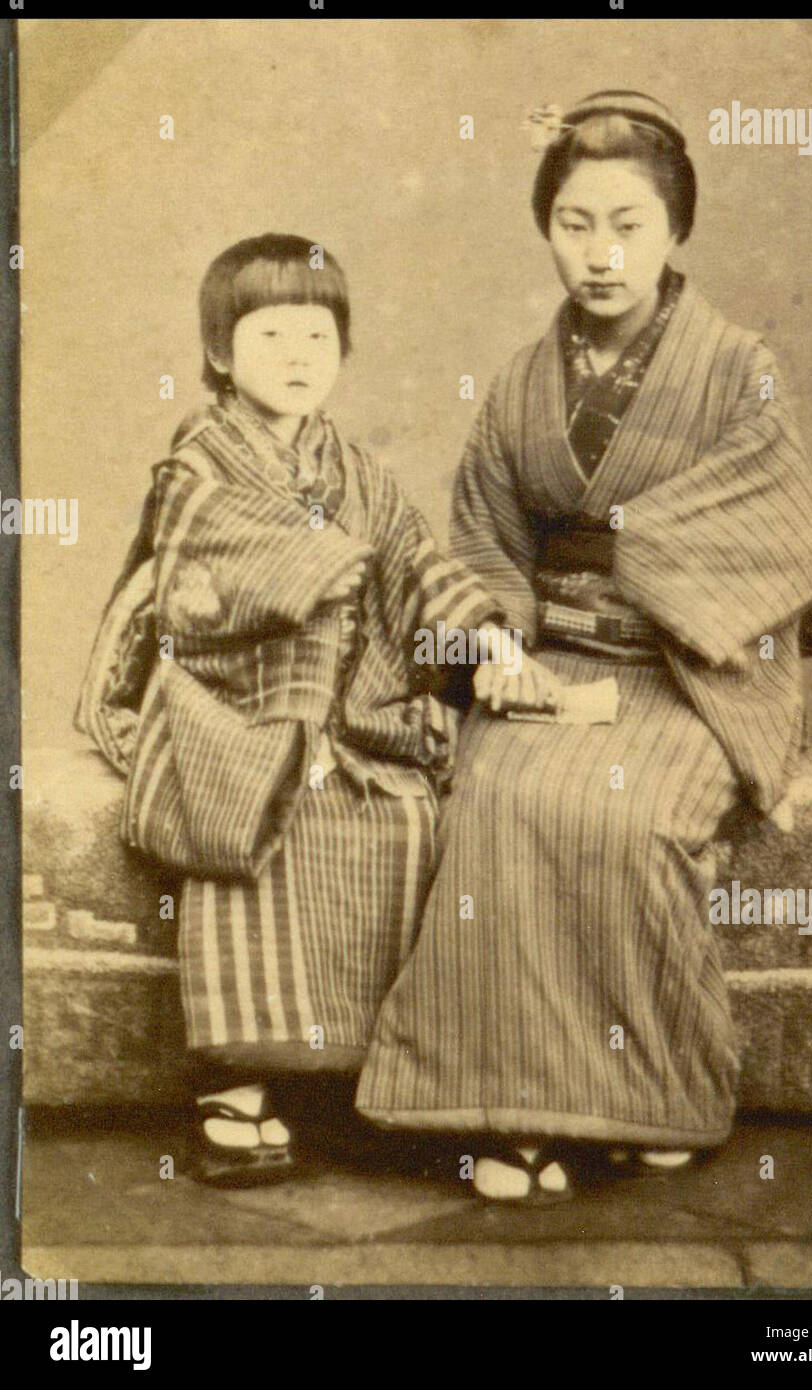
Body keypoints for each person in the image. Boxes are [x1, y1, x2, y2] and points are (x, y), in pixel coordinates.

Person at [356, 91, 812, 1201]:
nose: (602, 252)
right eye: (576, 223)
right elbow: (484, 536)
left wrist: (636, 546)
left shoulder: (733, 365)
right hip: (555, 664)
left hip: (693, 673)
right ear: (547, 228)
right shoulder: (526, 381)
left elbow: (781, 526)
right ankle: (507, 1111)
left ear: (675, 229)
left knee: (619, 815)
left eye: (628, 222)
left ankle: (651, 1091)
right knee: (491, 804)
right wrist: (496, 646)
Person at [76, 233, 503, 1186]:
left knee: (400, 811)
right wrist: (327, 565)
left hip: (347, 712)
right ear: (221, 354)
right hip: (225, 702)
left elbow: (418, 562)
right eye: (271, 335)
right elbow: (198, 573)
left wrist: (486, 639)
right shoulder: (198, 462)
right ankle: (238, 1087)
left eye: (319, 335)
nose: (300, 357)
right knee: (261, 812)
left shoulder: (359, 470)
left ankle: (355, 1080)